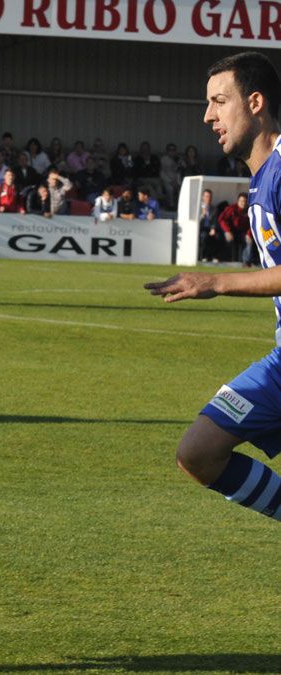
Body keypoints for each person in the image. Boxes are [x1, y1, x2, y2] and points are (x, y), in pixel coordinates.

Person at [145, 51, 281, 526]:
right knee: (199, 452)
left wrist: (215, 281)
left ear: (256, 102)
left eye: (220, 101)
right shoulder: (262, 178)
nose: (208, 116)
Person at [218, 192, 250, 262]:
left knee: (248, 241)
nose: (243, 203)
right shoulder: (231, 208)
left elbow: (251, 224)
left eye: (245, 201)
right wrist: (227, 231)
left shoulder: (249, 211)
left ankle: (245, 262)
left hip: (242, 232)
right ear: (238, 201)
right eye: (241, 201)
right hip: (230, 231)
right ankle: (228, 261)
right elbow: (221, 219)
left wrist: (248, 234)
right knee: (229, 239)